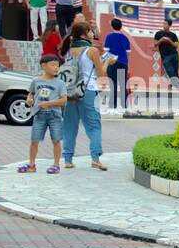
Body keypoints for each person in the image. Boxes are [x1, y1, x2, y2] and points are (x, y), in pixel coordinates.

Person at [62, 19, 114, 171]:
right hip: (88, 91)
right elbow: (101, 73)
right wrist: (107, 62)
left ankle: (68, 159)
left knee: (70, 126)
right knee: (94, 126)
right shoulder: (92, 51)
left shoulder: (69, 51)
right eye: (91, 31)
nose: (93, 33)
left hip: (70, 92)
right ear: (85, 34)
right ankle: (95, 158)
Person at [18, 54, 68, 175]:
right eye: (53, 65)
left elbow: (64, 100)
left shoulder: (60, 83)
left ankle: (56, 165)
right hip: (39, 115)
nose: (56, 68)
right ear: (43, 66)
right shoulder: (36, 81)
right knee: (34, 140)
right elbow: (31, 93)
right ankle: (31, 164)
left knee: (56, 140)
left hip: (54, 115)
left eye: (57, 66)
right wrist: (29, 100)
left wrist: (50, 103)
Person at [103, 18, 131, 110]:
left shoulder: (109, 37)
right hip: (123, 62)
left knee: (113, 84)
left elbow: (106, 51)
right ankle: (124, 106)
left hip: (112, 62)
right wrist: (128, 65)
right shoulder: (125, 38)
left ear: (112, 26)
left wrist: (103, 62)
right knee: (123, 84)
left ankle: (112, 106)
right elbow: (127, 52)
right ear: (121, 27)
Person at [155, 19, 179, 87]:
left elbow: (176, 45)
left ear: (169, 25)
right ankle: (177, 85)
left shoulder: (173, 35)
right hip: (165, 56)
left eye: (165, 24)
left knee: (175, 71)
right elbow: (155, 44)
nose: (163, 25)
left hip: (174, 54)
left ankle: (174, 85)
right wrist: (161, 40)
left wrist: (169, 40)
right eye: (163, 23)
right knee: (169, 70)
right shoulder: (158, 34)